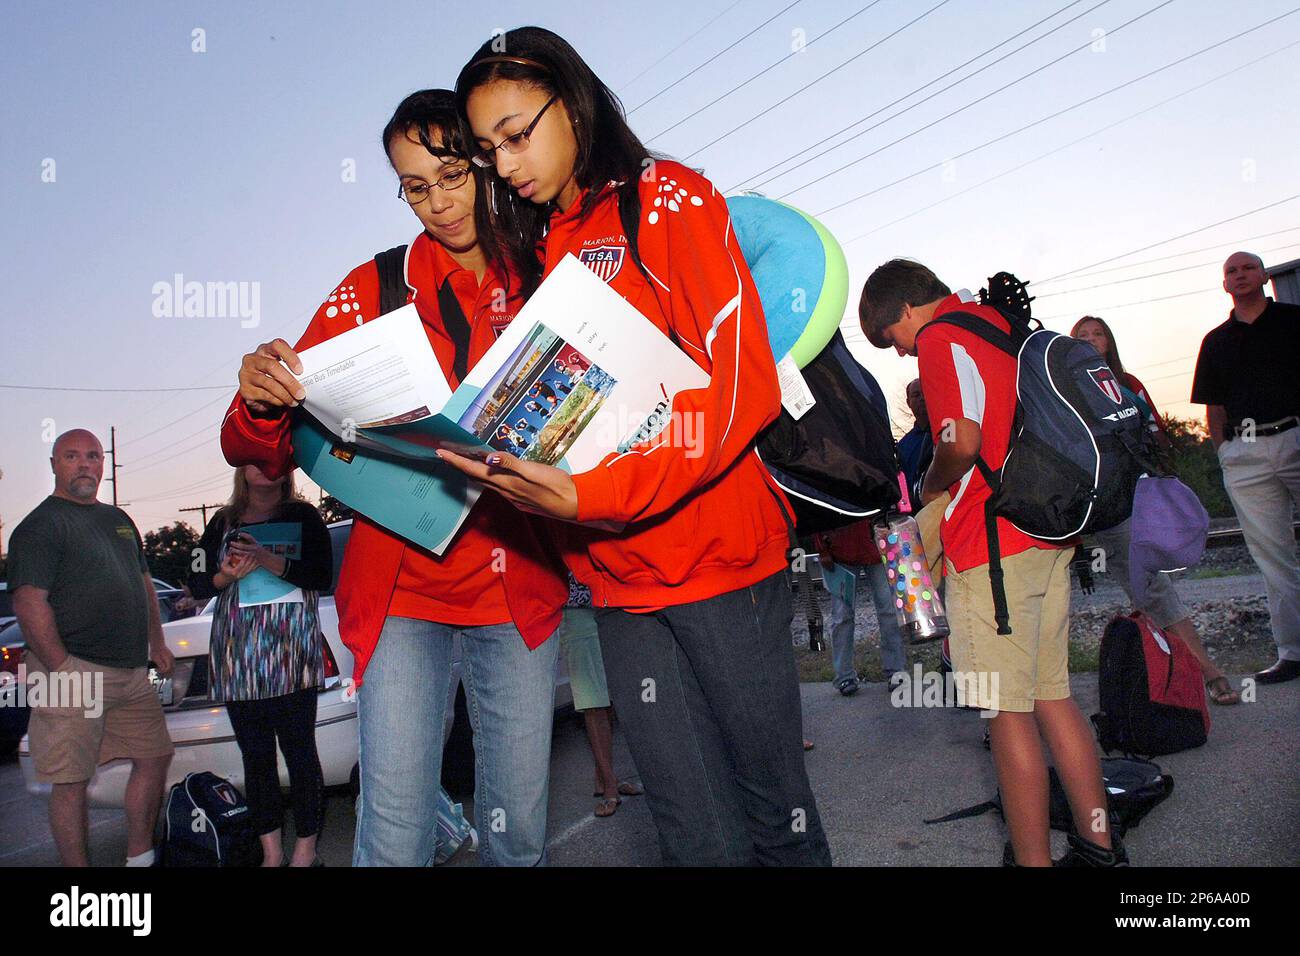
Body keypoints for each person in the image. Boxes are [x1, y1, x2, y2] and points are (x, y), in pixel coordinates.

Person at [445, 26, 830, 866]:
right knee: (693, 832)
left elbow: (740, 388)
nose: (505, 165)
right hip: (620, 591)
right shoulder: (541, 256)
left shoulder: (669, 198)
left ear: (573, 98)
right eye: (488, 150)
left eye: (517, 133)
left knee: (775, 814)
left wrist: (594, 497)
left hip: (722, 566)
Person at [223, 89, 568, 867]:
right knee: (395, 835)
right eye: (415, 186)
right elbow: (256, 448)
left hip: (518, 589)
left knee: (519, 838)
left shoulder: (555, 270)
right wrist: (258, 396)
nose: (439, 204)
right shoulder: (373, 287)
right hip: (404, 593)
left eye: (452, 176)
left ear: (488, 162)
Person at [861, 259, 1123, 867]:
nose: (900, 354)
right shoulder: (997, 324)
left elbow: (961, 440)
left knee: (1007, 714)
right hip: (1049, 536)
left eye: (890, 339)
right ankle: (1100, 848)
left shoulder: (941, 336)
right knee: (1054, 696)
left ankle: (1032, 860)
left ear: (903, 310)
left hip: (992, 549)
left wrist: (930, 485)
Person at [7, 429, 175, 867]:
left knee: (155, 756)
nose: (85, 465)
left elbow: (142, 585)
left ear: (104, 464)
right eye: (72, 456)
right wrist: (64, 668)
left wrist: (156, 644)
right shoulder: (39, 527)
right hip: (67, 672)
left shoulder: (118, 520)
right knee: (70, 781)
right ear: (54, 465)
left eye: (93, 456)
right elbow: (29, 602)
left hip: (131, 672)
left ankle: (140, 858)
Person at [1070, 316, 1239, 704]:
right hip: (1076, 506)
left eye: (1098, 334)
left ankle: (1204, 671)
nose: (1091, 341)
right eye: (1082, 336)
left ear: (1110, 343)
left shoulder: (1127, 386)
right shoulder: (1063, 388)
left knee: (1151, 588)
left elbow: (1155, 433)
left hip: (1124, 500)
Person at [187, 465, 332, 866]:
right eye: (253, 458)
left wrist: (269, 559)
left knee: (300, 752)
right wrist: (223, 576)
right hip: (240, 657)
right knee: (256, 756)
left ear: (285, 468)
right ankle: (271, 853)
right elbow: (195, 579)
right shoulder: (221, 522)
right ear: (240, 470)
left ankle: (305, 851)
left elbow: (322, 574)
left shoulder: (304, 517)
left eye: (271, 458)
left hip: (291, 652)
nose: (263, 466)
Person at [1191, 251, 1300, 685]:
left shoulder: (1294, 320)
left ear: (1263, 275)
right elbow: (1213, 407)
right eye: (1231, 271)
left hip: (1295, 434)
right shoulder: (1216, 340)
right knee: (1273, 556)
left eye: (1247, 268)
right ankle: (1292, 652)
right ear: (1225, 284)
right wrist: (1224, 454)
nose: (1240, 275)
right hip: (1246, 452)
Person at [557, 582, 644, 817]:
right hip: (575, 611)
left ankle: (605, 778)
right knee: (592, 702)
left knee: (608, 698)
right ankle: (610, 789)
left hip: (607, 604)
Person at [812, 521, 907, 695]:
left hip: (875, 546)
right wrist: (821, 548)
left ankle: (896, 670)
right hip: (841, 549)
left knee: (889, 611)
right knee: (842, 616)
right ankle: (844, 675)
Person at [897, 378, 935, 505]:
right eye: (916, 395)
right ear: (908, 402)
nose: (922, 398)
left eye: (925, 393)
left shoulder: (948, 431)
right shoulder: (902, 446)